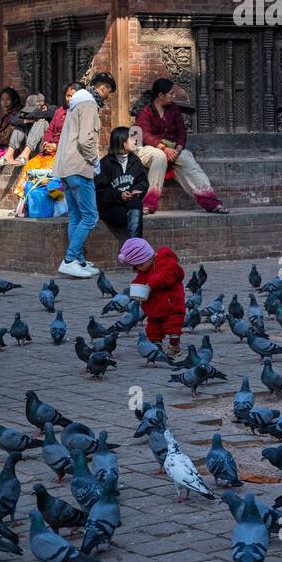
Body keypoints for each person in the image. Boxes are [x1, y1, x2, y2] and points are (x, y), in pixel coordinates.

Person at [134, 79, 225, 214]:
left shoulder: (173, 109)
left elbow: (181, 132)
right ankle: (149, 203)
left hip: (171, 149)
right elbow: (146, 135)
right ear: (161, 95)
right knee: (159, 157)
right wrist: (164, 149)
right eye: (171, 94)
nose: (173, 96)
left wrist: (178, 148)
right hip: (148, 149)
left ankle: (210, 202)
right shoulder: (146, 111)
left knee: (186, 158)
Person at [53, 82, 102, 277]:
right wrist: (95, 160)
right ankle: (70, 259)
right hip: (79, 167)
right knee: (90, 216)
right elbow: (85, 140)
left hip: (66, 168)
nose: (105, 94)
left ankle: (79, 261)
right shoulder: (88, 105)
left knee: (76, 215)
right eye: (104, 89)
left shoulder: (75, 105)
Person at [117, 236, 185, 358]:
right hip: (153, 307)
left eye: (140, 265)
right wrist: (136, 286)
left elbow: (168, 275)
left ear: (147, 257)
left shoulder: (166, 262)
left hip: (171, 304)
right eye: (136, 267)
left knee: (173, 325)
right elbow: (141, 278)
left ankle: (174, 346)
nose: (139, 268)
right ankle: (155, 346)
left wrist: (151, 282)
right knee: (153, 329)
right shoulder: (144, 269)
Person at [95, 127, 148, 239]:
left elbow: (143, 182)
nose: (134, 141)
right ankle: (136, 248)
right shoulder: (105, 163)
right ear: (122, 141)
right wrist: (119, 195)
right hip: (111, 206)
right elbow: (100, 191)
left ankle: (135, 246)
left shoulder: (135, 160)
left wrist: (134, 191)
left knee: (136, 205)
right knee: (131, 215)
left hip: (130, 202)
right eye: (131, 139)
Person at [5, 93, 55, 166]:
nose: (30, 113)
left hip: (44, 149)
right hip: (30, 148)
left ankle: (25, 155)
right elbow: (13, 120)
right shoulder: (27, 112)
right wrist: (27, 121)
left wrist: (33, 115)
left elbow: (44, 114)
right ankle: (9, 154)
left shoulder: (53, 109)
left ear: (43, 106)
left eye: (32, 110)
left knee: (41, 121)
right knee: (20, 125)